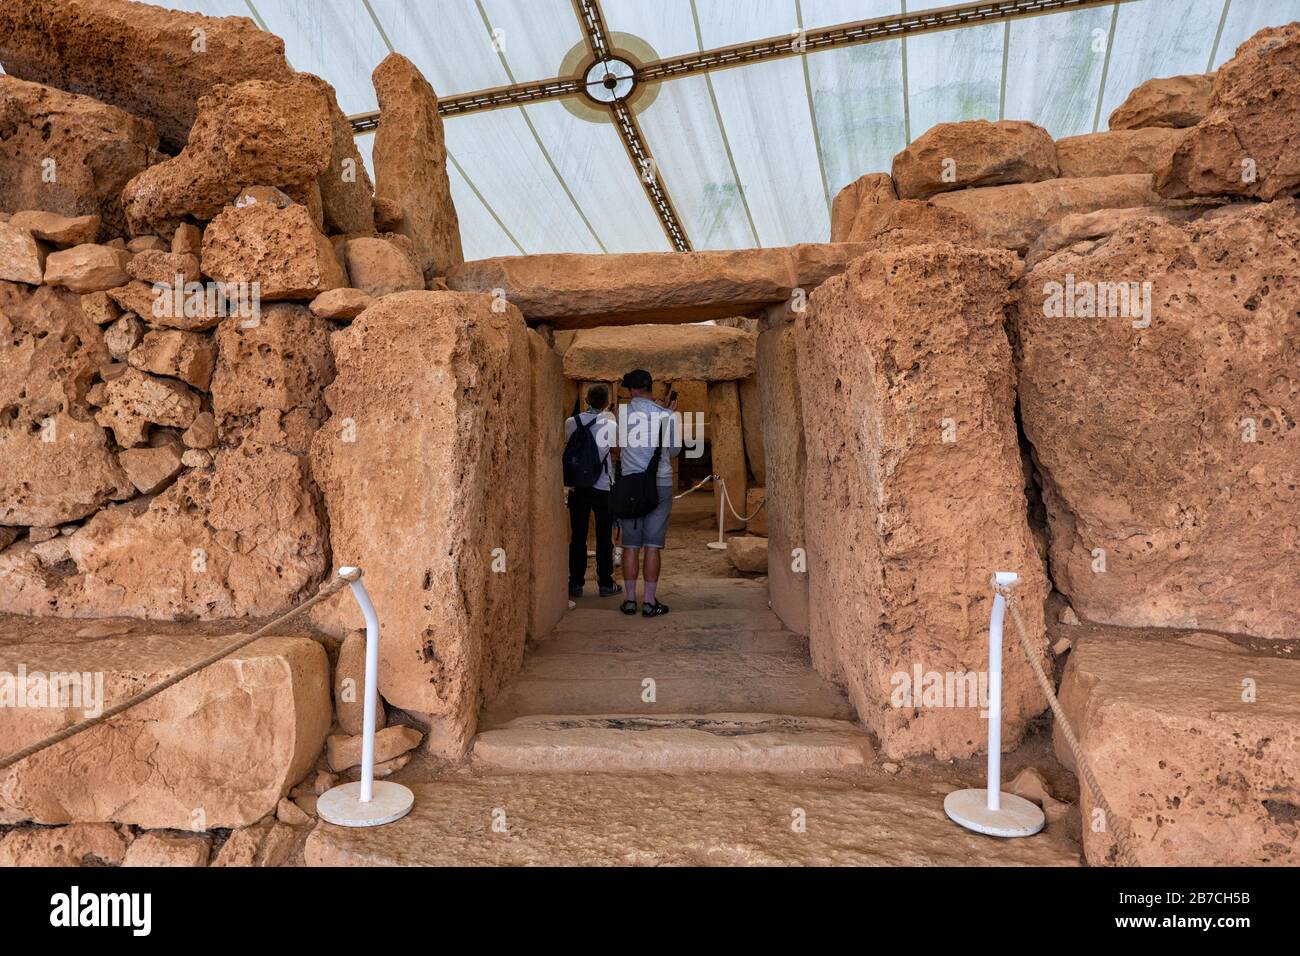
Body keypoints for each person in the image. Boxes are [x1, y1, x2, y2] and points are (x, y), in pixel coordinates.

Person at [615, 369, 681, 617]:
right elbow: (674, 451)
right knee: (652, 545)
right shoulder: (667, 416)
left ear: (632, 390)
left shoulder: (621, 415)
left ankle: (630, 600)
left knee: (631, 545)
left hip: (630, 484)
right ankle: (649, 601)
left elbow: (617, 447)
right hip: (659, 483)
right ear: (650, 388)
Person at [565, 385, 619, 598]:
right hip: (603, 485)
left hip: (578, 486)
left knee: (578, 536)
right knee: (604, 537)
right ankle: (605, 583)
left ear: (586, 399)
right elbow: (615, 451)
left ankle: (575, 583)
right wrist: (612, 417)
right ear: (606, 402)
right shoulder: (609, 423)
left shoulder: (571, 422)